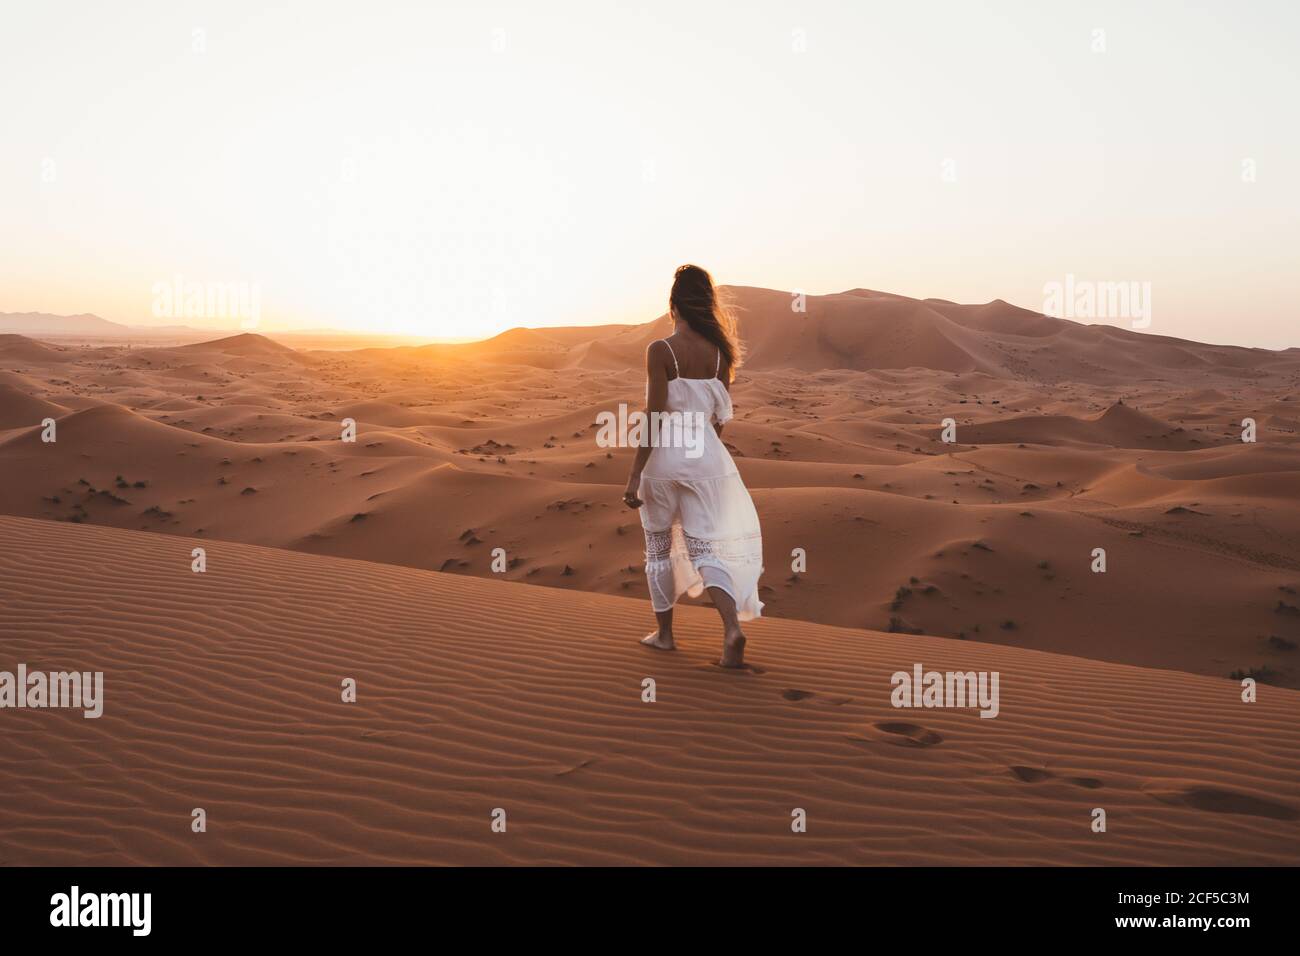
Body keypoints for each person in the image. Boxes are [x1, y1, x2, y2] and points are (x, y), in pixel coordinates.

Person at [622, 264, 764, 668]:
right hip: (708, 458)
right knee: (705, 548)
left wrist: (635, 474)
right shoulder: (722, 355)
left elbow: (654, 416)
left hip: (664, 458)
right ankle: (731, 629)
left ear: (673, 305)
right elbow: (719, 423)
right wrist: (702, 457)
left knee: (658, 548)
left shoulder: (660, 351)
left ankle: (665, 636)